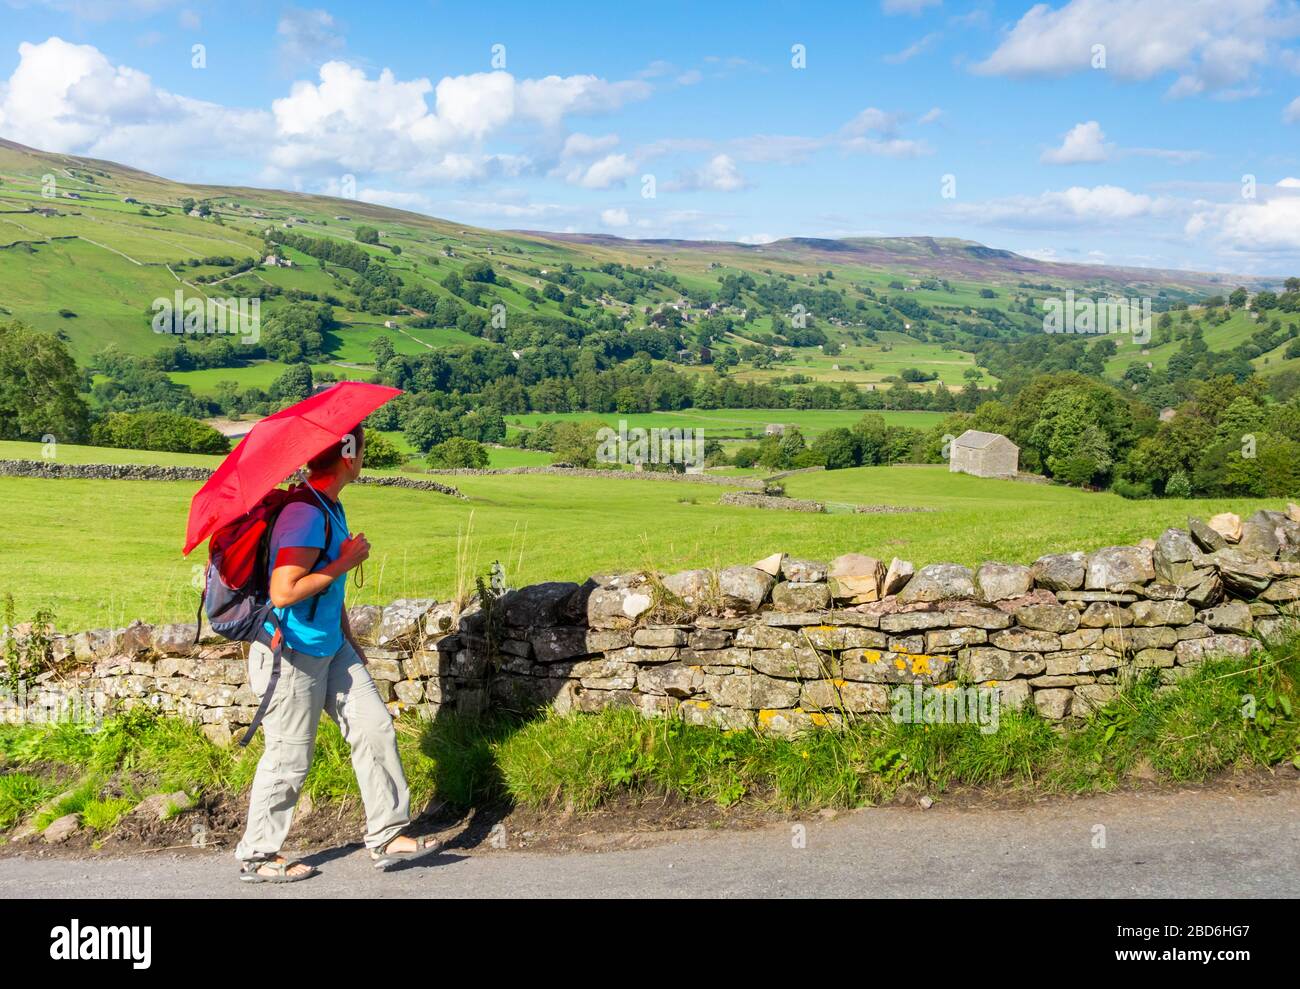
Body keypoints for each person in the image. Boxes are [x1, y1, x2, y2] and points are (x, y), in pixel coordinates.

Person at [234, 423, 438, 882]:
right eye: (362, 448)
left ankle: (386, 834)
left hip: (332, 646)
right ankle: (258, 854)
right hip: (290, 653)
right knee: (289, 755)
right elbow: (284, 592)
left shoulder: (330, 504)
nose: (364, 456)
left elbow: (329, 591)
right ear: (349, 454)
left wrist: (351, 642)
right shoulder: (305, 514)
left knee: (374, 727)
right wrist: (345, 561)